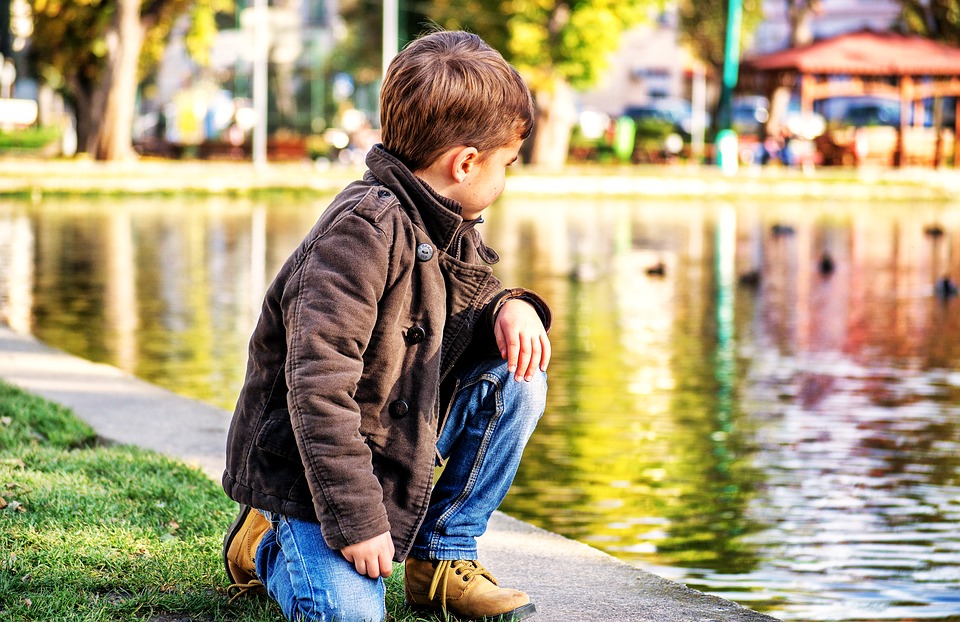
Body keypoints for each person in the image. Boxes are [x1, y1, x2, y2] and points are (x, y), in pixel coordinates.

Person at [221, 29, 551, 622]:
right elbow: (317, 387)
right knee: (351, 614)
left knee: (517, 376)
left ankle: (443, 557)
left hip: (393, 435)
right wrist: (355, 520)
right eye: (509, 164)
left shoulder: (448, 217)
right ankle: (269, 541)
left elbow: (472, 297)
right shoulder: (359, 234)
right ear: (466, 163)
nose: (507, 179)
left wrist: (511, 306)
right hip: (310, 465)